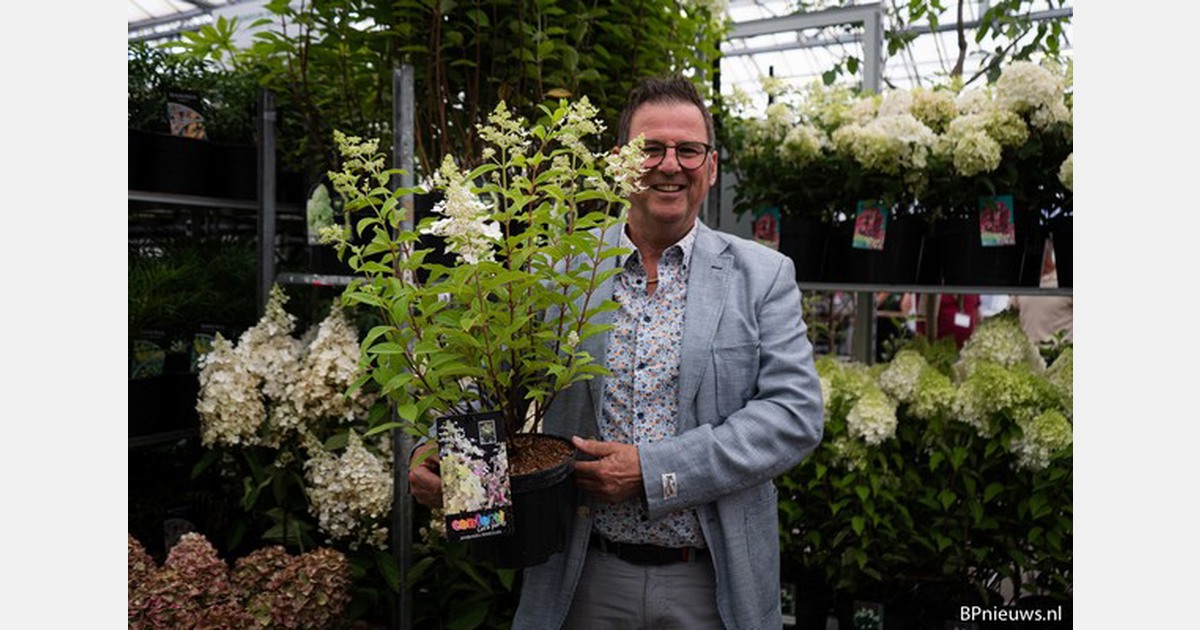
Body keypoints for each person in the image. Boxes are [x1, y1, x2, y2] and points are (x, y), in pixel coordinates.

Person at [410, 75, 825, 629]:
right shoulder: (561, 274)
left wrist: (655, 471)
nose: (670, 165)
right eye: (651, 148)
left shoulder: (762, 276)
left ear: (712, 165)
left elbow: (793, 417)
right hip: (582, 574)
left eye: (689, 150)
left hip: (711, 582)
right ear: (619, 162)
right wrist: (443, 467)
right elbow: (488, 384)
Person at [1010, 240, 1072, 344]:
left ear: (1046, 256)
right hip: (1030, 356)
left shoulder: (1066, 281)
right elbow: (1011, 314)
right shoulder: (1022, 283)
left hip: (1062, 354)